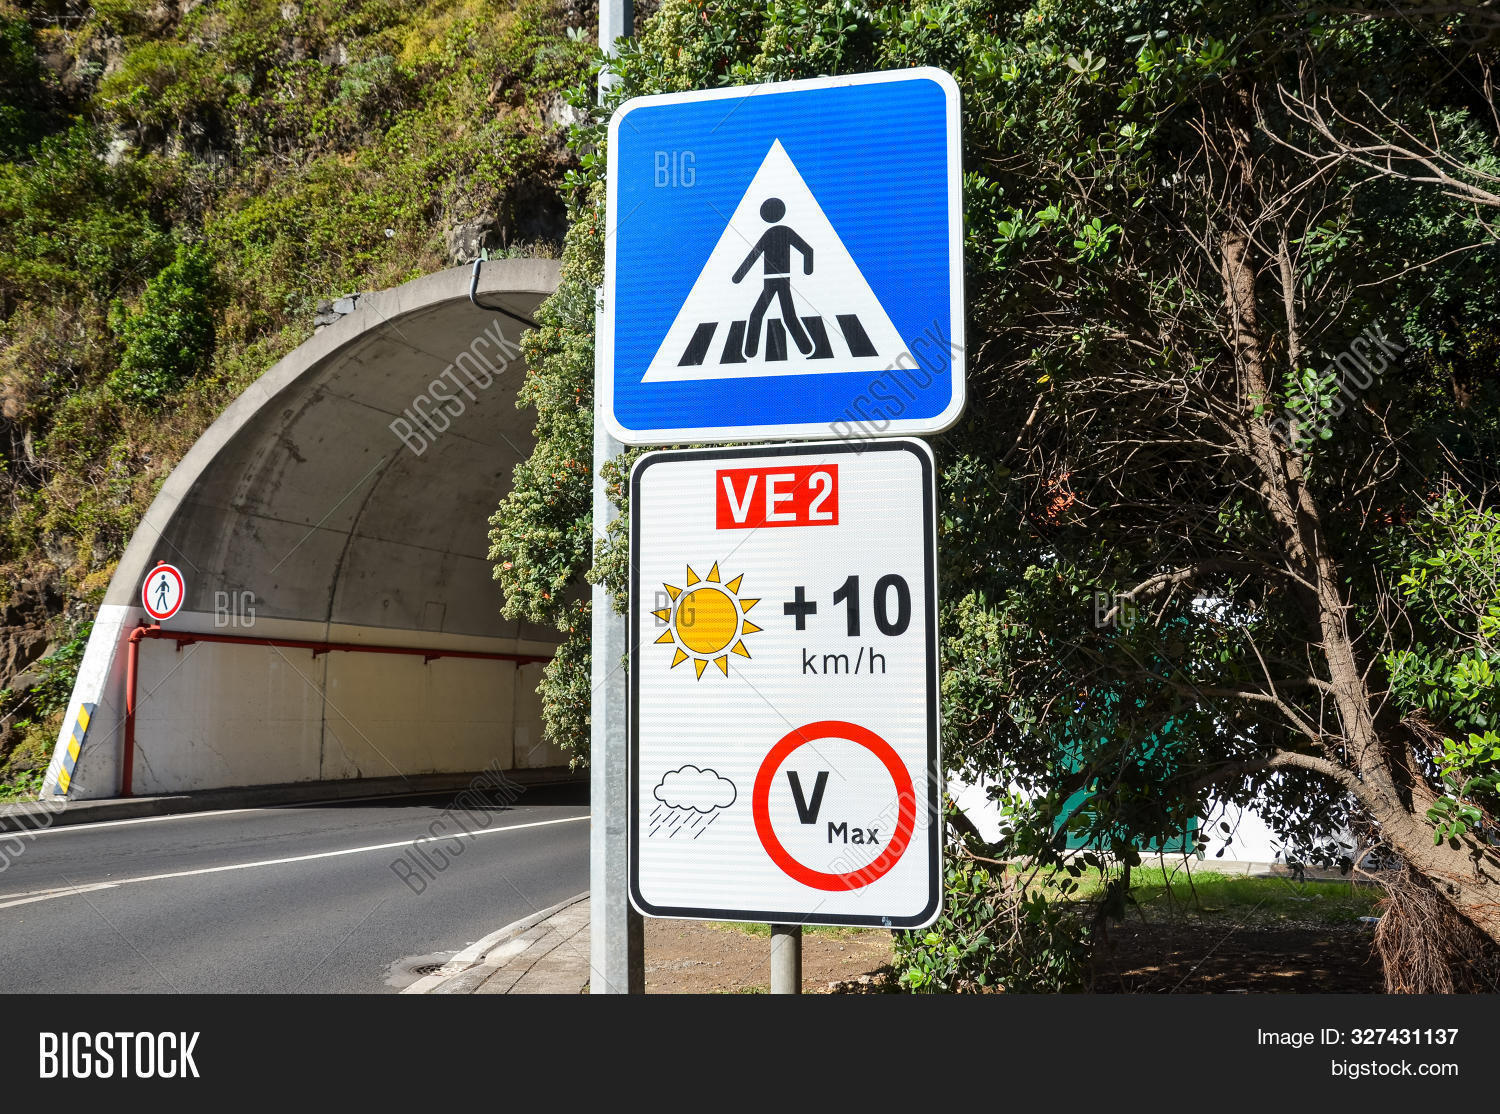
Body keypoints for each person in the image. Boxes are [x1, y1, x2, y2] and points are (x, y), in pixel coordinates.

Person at [731, 197, 814, 357]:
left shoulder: (777, 232)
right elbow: (807, 251)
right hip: (774, 280)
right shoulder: (780, 232)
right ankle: (805, 348)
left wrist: (738, 277)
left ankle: (805, 348)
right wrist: (807, 270)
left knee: (761, 315)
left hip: (777, 280)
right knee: (783, 316)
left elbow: (753, 256)